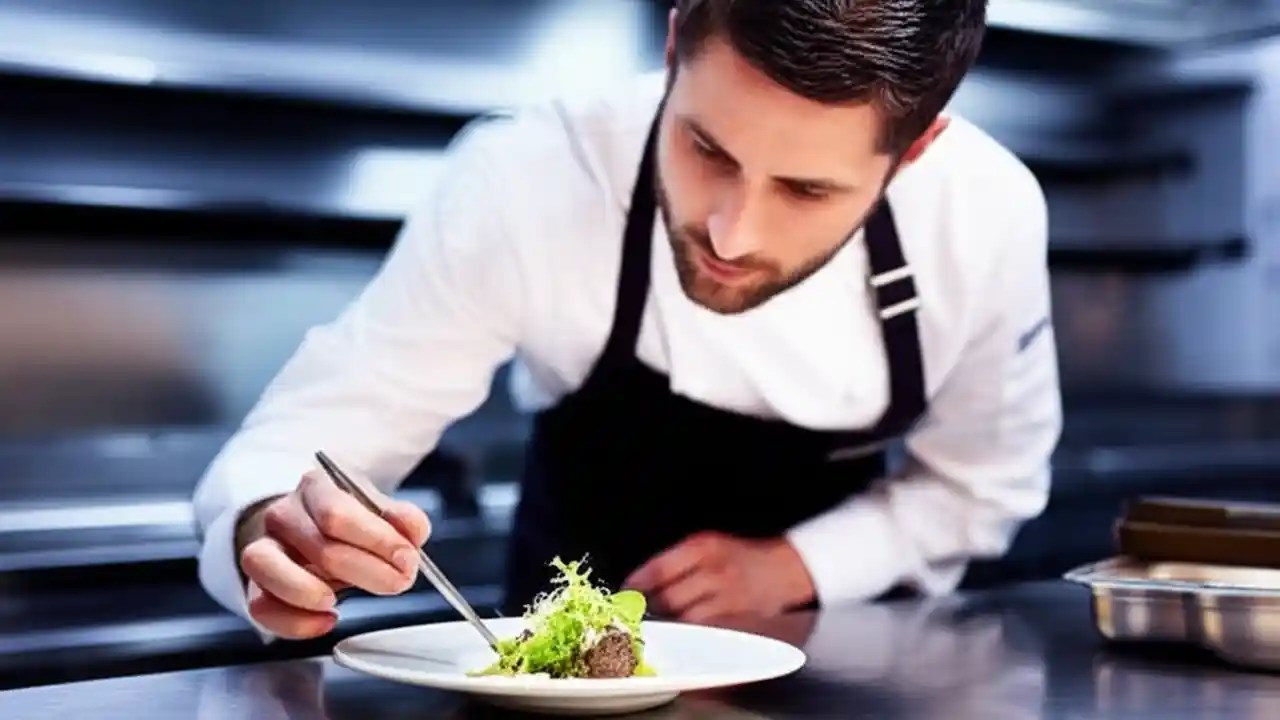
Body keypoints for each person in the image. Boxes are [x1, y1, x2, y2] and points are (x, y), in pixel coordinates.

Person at [193, 0, 1062, 641]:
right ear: (678, 39)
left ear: (914, 150)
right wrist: (276, 531)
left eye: (807, 190)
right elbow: (318, 432)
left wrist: (801, 565)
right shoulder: (531, 174)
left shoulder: (984, 219)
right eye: (706, 147)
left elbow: (981, 488)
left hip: (836, 669)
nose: (732, 232)